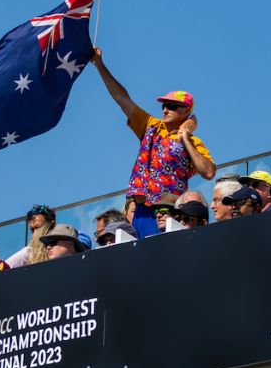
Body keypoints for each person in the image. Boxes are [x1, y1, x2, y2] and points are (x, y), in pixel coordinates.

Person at [91, 47, 216, 237]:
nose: (165, 110)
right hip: (141, 211)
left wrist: (185, 138)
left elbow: (208, 172)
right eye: (164, 105)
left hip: (169, 211)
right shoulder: (151, 125)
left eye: (172, 106)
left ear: (185, 112)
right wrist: (100, 65)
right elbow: (121, 98)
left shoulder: (192, 141)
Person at [6, 204, 57, 269]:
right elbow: (4, 269)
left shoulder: (62, 247)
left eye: (38, 228)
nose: (35, 233)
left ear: (52, 225)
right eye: (32, 229)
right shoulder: (28, 252)